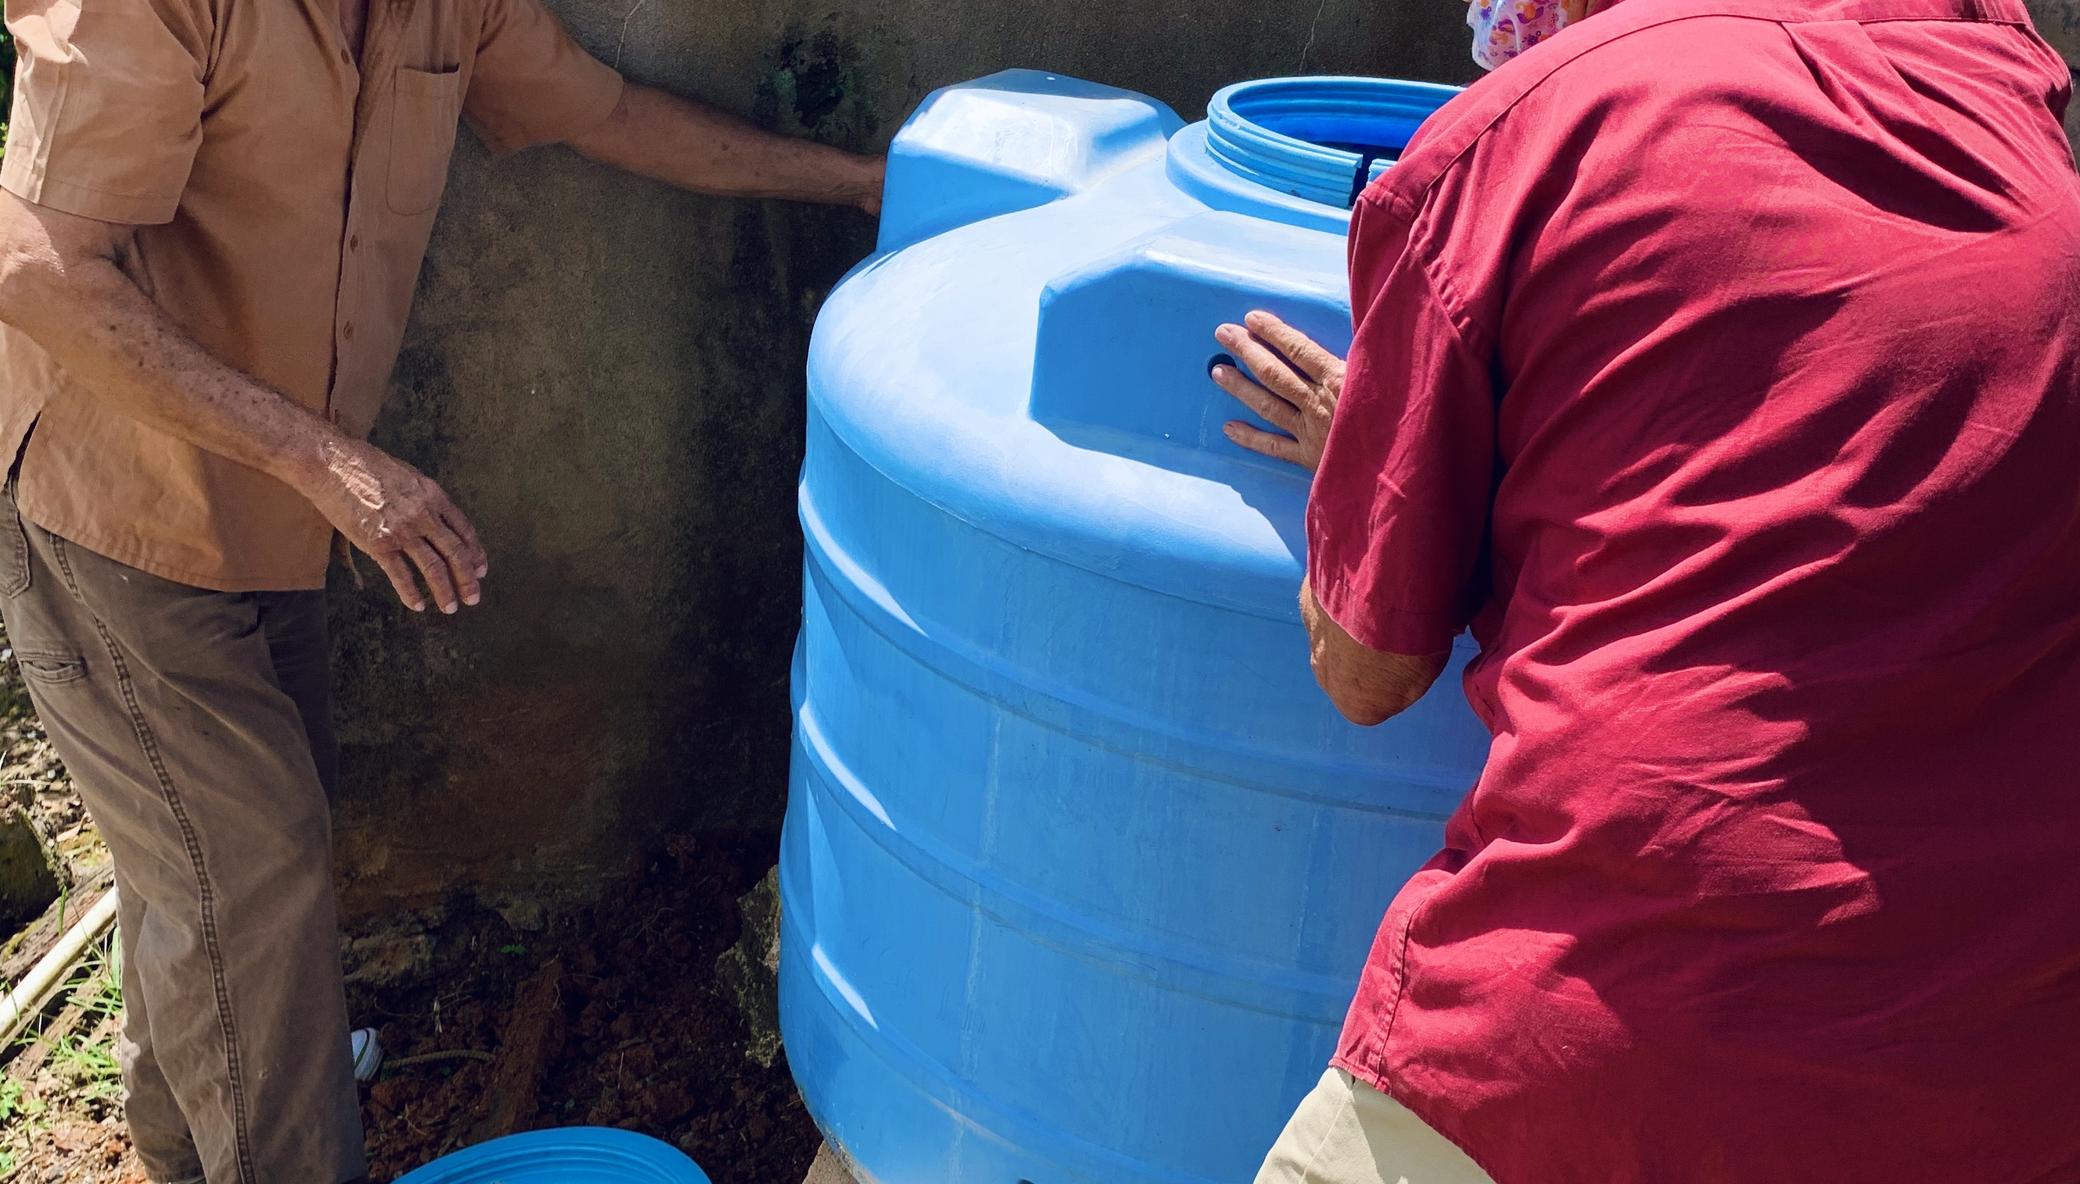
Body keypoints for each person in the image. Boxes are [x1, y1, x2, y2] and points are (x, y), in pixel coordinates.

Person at [0, 0, 883, 1179]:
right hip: (113, 498)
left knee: (220, 869)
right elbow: (36, 264)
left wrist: (858, 182)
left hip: (270, 513)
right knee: (253, 865)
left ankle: (176, 1149)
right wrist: (328, 460)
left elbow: (609, 113)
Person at [1210, 0, 2080, 1181]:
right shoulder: (2014, 130)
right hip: (2002, 1068)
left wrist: (1367, 446)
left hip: (1595, 1034)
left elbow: (1366, 670)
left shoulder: (1519, 138)